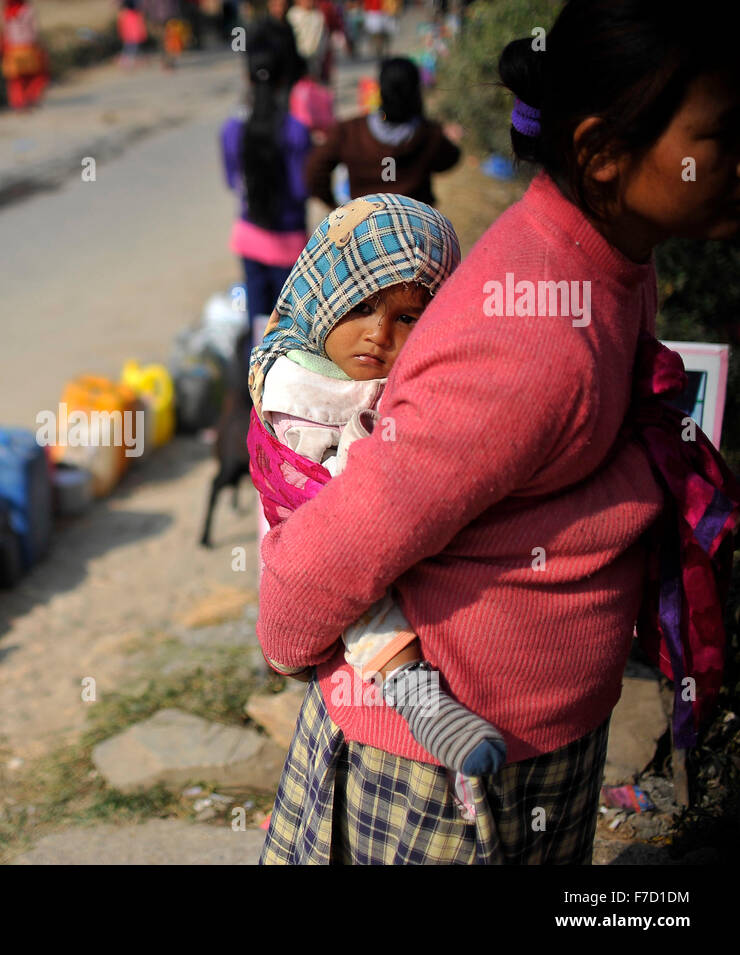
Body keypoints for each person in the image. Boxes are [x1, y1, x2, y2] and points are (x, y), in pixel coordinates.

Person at [258, 0, 740, 865]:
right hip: (439, 771)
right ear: (601, 156)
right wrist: (295, 640)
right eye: (722, 135)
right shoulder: (528, 335)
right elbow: (320, 561)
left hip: (526, 734)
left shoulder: (607, 267)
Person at [248, 194, 508, 780]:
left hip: (357, 540)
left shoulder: (403, 377)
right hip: (317, 547)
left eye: (410, 317)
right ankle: (417, 696)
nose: (378, 335)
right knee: (367, 603)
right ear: (324, 292)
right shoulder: (298, 384)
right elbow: (335, 515)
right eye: (360, 305)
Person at [219, 25, 310, 366]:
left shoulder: (231, 130)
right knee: (288, 328)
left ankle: (255, 388)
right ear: (285, 80)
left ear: (247, 78)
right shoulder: (296, 132)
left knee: (259, 319)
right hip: (289, 245)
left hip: (248, 238)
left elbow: (232, 183)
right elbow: (301, 189)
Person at [307, 57, 459, 207]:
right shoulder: (429, 134)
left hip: (366, 225)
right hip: (414, 225)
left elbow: (315, 171)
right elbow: (448, 160)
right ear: (416, 92)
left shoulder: (349, 131)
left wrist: (336, 207)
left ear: (380, 89)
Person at [0, 0, 48, 111]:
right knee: (35, 76)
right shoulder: (28, 10)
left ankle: (18, 102)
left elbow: (1, 32)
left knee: (15, 80)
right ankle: (31, 98)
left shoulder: (4, 12)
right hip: (28, 48)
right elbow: (35, 30)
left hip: (11, 50)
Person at [118, 0, 148, 69]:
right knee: (131, 47)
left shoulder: (125, 14)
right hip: (131, 34)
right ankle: (128, 62)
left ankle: (128, 61)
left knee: (131, 47)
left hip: (131, 35)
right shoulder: (133, 14)